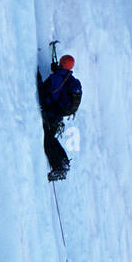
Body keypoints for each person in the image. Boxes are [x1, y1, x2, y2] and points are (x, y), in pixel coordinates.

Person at [37, 52, 82, 181]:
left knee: (48, 141)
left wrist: (37, 77)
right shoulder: (70, 79)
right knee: (51, 139)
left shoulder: (56, 78)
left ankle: (60, 167)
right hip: (58, 114)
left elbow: (43, 90)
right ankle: (63, 164)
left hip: (51, 112)